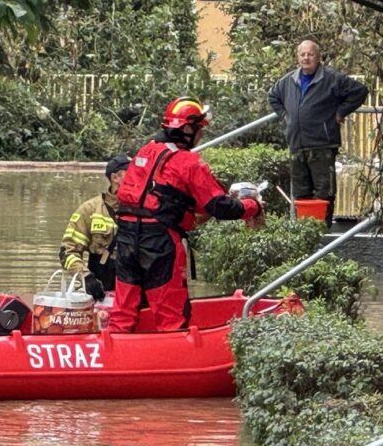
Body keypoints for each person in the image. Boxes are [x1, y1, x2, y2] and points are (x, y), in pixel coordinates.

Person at [111, 97, 263, 333]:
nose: (201, 136)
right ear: (187, 129)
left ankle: (115, 354)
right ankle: (174, 359)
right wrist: (252, 206)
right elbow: (219, 206)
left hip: (126, 237)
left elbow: (148, 195)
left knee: (122, 311)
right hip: (159, 242)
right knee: (170, 314)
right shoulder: (187, 162)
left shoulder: (146, 151)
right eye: (199, 130)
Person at [267, 39, 368, 223]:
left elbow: (360, 91)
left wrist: (340, 112)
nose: (306, 58)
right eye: (302, 54)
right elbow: (273, 96)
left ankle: (323, 230)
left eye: (310, 54)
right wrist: (285, 116)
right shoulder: (288, 81)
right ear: (297, 57)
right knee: (300, 193)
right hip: (297, 145)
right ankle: (304, 231)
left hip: (322, 145)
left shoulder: (332, 79)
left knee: (324, 191)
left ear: (318, 56)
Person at [59, 153, 130, 303]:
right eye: (130, 172)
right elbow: (67, 251)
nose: (137, 177)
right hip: (101, 295)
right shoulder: (89, 210)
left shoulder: (147, 208)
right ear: (115, 177)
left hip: (136, 292)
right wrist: (85, 277)